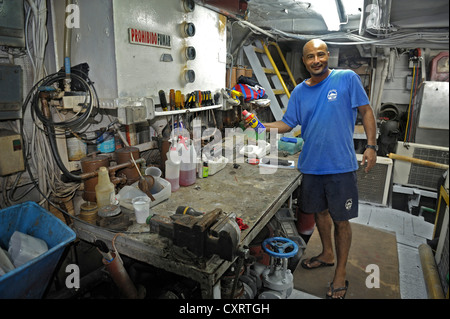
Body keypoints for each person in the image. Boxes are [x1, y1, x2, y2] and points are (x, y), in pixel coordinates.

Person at [263, 39, 377, 299]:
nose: (316, 60)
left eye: (320, 54)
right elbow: (287, 124)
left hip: (340, 166)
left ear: (328, 55)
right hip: (311, 166)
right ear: (304, 62)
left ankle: (340, 272)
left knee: (341, 220)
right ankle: (327, 253)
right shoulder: (300, 92)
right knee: (320, 214)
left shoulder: (346, 79)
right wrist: (259, 125)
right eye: (310, 57)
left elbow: (366, 111)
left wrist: (371, 146)